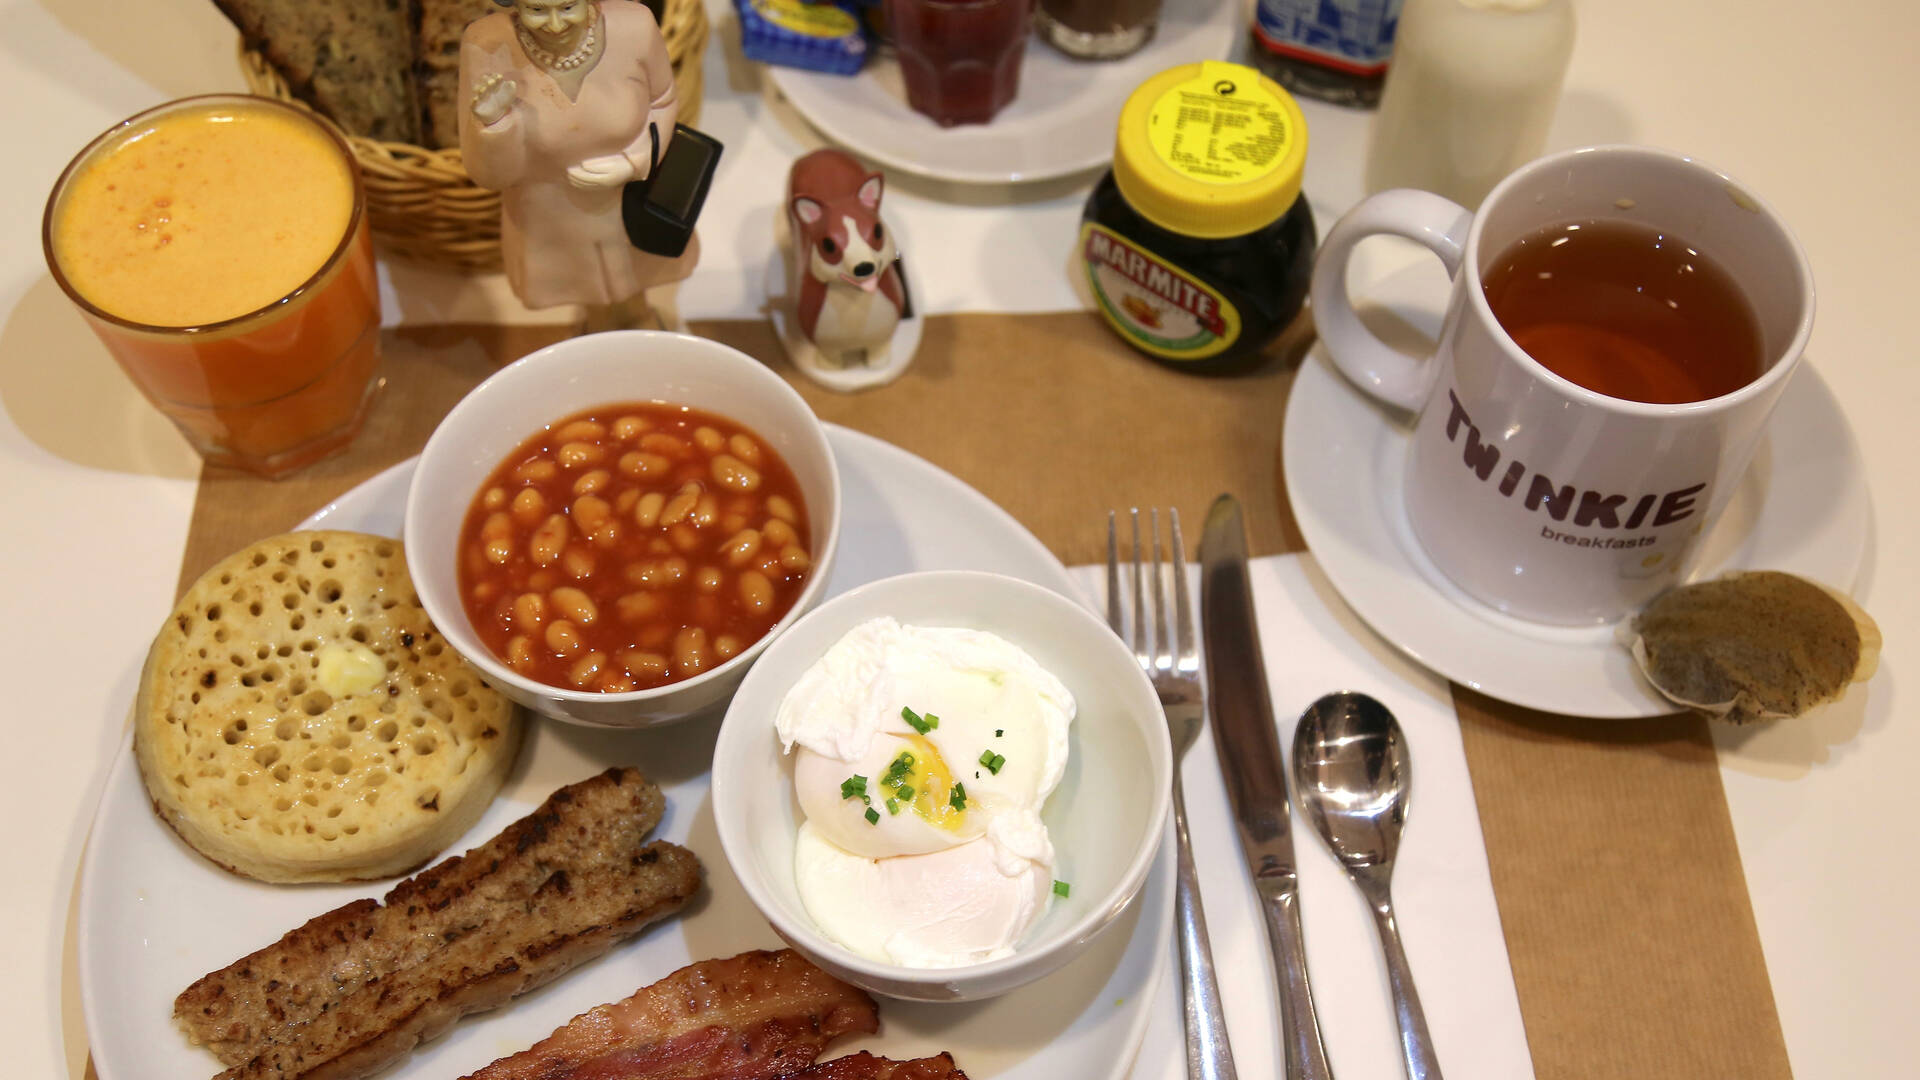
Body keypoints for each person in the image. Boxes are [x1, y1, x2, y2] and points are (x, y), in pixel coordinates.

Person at [459, 0, 696, 317]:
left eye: (569, 7)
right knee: (588, 294)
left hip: (631, 202)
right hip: (551, 217)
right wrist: (495, 125)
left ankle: (640, 318)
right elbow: (488, 175)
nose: (556, 26)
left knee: (637, 279)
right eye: (537, 11)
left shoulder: (635, 27)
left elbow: (663, 100)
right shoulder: (487, 45)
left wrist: (635, 161)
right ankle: (595, 330)